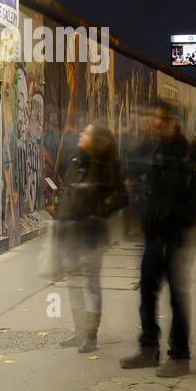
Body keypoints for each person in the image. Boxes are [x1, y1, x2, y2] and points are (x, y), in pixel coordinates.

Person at [121, 102, 196, 377]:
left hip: (173, 237)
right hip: (153, 236)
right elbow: (145, 188)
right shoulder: (153, 150)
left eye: (161, 119)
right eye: (154, 118)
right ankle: (148, 350)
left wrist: (177, 222)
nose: (156, 124)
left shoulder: (188, 154)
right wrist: (141, 213)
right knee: (147, 293)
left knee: (176, 297)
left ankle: (180, 356)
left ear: (174, 122)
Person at [56, 124, 125, 352]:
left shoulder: (107, 166)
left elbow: (120, 197)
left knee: (90, 284)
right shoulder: (76, 159)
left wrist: (98, 213)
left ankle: (90, 336)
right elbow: (68, 189)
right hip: (69, 232)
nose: (80, 134)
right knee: (73, 283)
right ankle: (78, 332)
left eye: (85, 133)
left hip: (91, 235)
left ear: (96, 140)